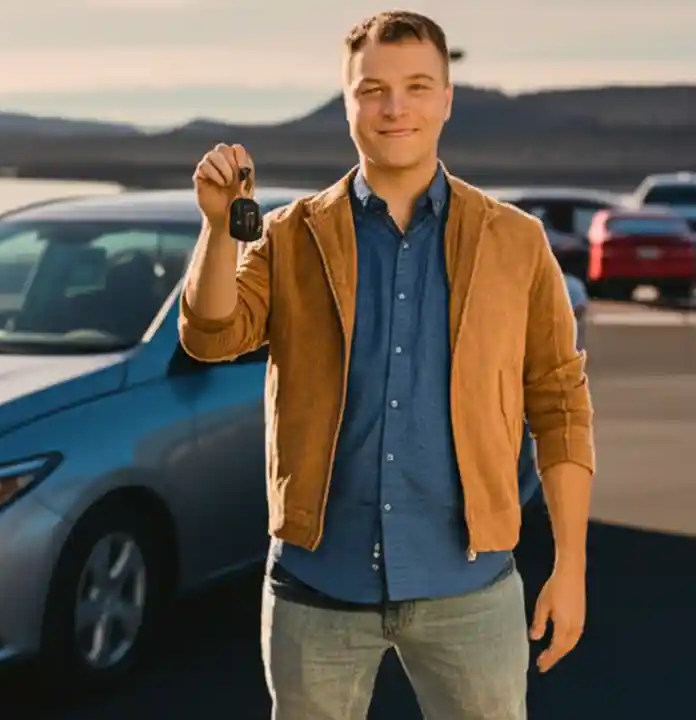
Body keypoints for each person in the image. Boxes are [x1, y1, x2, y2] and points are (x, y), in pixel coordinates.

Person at [177, 10, 594, 719]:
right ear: (347, 102)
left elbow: (558, 405)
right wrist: (219, 229)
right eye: (372, 90)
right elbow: (210, 336)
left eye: (417, 86)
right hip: (317, 590)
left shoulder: (516, 242)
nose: (394, 107)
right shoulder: (288, 235)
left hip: (472, 590)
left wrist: (572, 567)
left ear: (447, 98)